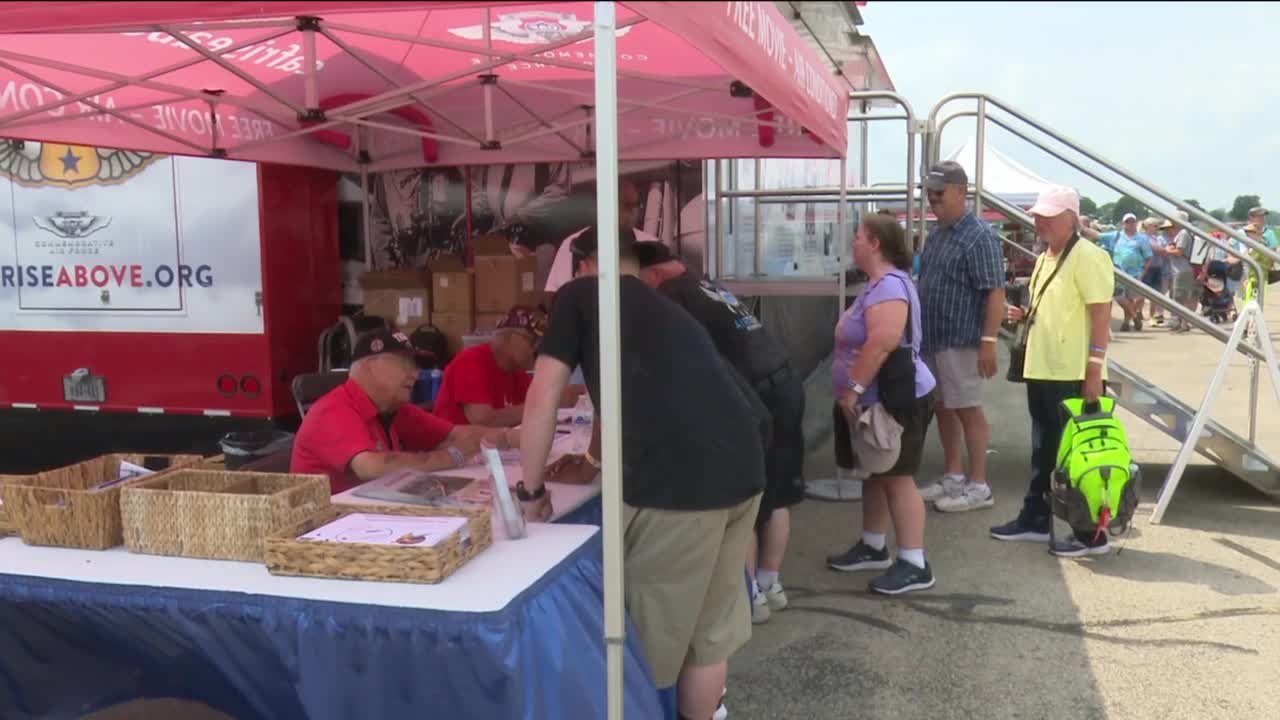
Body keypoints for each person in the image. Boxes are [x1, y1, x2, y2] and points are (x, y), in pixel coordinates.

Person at [517, 226, 767, 720]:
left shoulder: (580, 295)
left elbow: (543, 393)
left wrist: (530, 489)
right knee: (707, 639)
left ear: (582, 264)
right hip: (742, 469)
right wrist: (591, 463)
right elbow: (625, 402)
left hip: (679, 487)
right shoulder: (664, 311)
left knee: (644, 646)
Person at [633, 240, 804, 625]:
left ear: (654, 273)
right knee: (776, 493)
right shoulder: (703, 283)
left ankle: (749, 596)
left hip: (755, 395)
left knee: (742, 498)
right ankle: (769, 584)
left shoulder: (672, 297)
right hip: (785, 383)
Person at [990, 186, 1116, 556]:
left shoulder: (1089, 256)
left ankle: (1090, 534)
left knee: (1076, 455)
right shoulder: (1047, 255)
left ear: (1071, 218)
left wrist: (1094, 369)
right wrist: (1025, 314)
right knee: (1044, 449)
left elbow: (1101, 314)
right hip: (1044, 367)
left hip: (1072, 372)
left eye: (1049, 216)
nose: (1039, 221)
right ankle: (1035, 516)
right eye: (1038, 215)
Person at [825, 213, 938, 594]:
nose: (853, 243)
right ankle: (873, 545)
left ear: (874, 243)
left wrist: (854, 387)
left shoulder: (889, 286)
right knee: (877, 473)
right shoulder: (878, 285)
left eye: (858, 236)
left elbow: (883, 341)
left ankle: (914, 562)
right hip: (875, 401)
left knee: (898, 477)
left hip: (894, 399)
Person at [290, 329, 517, 495]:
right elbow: (372, 466)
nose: (415, 374)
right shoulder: (333, 409)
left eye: (416, 366)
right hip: (326, 531)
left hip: (368, 516)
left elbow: (454, 435)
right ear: (370, 365)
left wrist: (513, 437)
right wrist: (451, 457)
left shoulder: (395, 408)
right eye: (405, 364)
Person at [915, 161, 1005, 513]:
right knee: (944, 407)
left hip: (961, 338)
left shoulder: (979, 236)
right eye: (930, 191)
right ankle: (953, 476)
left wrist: (989, 341)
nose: (932, 198)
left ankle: (979, 484)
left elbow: (994, 292)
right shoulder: (938, 234)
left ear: (960, 191)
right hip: (935, 339)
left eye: (940, 191)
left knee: (967, 408)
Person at [431, 306, 544, 426]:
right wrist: (541, 407)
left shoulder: (516, 370)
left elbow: (532, 404)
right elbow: (483, 420)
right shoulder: (469, 362)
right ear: (510, 338)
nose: (537, 350)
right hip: (455, 444)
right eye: (533, 342)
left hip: (492, 442)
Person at [543, 179, 661, 293]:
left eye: (637, 205)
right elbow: (555, 294)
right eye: (627, 205)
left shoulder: (652, 245)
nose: (633, 212)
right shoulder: (573, 245)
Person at [1096, 213, 1153, 331]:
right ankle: (1134, 316)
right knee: (1118, 296)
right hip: (1119, 272)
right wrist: (1082, 228)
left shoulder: (1142, 239)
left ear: (1136, 223)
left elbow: (1149, 258)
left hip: (1135, 273)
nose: (1130, 224)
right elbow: (1097, 236)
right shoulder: (1116, 235)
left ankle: (1126, 322)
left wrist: (1143, 273)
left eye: (1133, 221)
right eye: (1128, 222)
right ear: (1123, 224)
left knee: (1131, 298)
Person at [1162, 217, 1198, 333]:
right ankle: (1182, 323)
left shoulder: (1183, 234)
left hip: (1182, 270)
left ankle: (1183, 324)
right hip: (1183, 269)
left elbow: (1179, 252)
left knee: (1181, 298)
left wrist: (1167, 250)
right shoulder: (1186, 233)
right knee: (1181, 297)